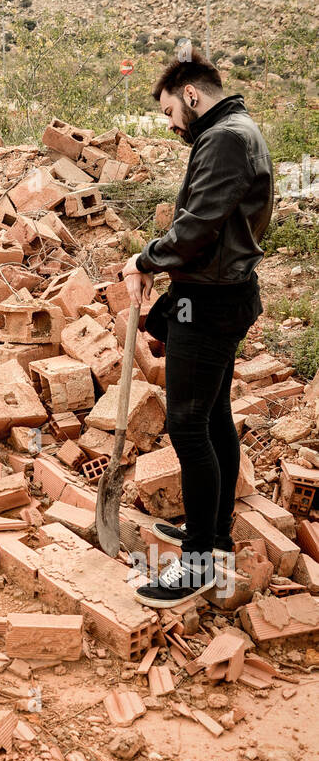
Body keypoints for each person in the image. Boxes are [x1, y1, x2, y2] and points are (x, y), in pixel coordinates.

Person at [121, 51, 274, 608]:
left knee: (188, 427)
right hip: (219, 295)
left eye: (168, 111)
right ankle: (214, 534)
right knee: (212, 419)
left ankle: (200, 565)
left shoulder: (225, 138)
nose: (168, 124)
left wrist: (144, 260)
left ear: (190, 96)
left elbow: (197, 226)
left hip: (208, 303)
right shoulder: (238, 129)